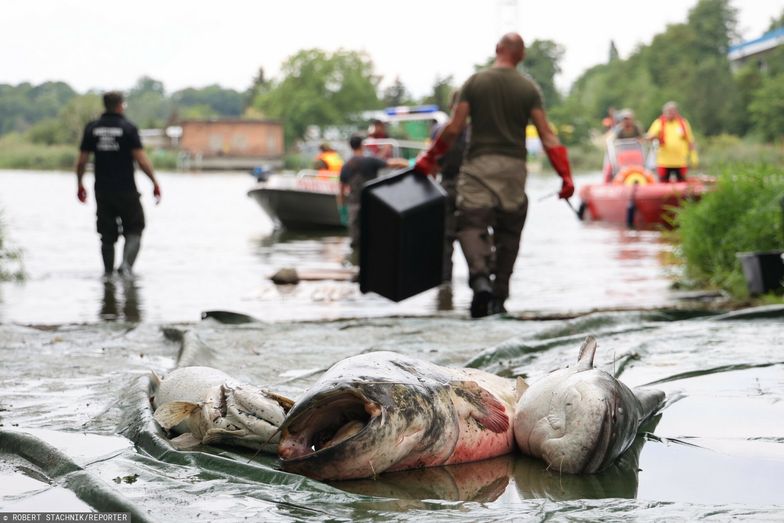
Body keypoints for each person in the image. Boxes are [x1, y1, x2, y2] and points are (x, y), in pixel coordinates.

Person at [414, 32, 574, 318]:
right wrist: (566, 177)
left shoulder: (475, 83)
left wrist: (428, 160)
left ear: (497, 49)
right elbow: (547, 136)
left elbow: (453, 128)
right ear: (521, 56)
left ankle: (479, 280)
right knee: (509, 229)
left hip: (478, 165)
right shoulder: (529, 89)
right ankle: (499, 296)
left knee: (470, 223)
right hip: (513, 169)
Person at [76, 91, 161, 277]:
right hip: (126, 190)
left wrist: (80, 184)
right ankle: (125, 267)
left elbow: (82, 161)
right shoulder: (128, 128)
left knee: (106, 235)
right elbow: (142, 160)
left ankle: (107, 274)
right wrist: (154, 182)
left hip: (102, 191)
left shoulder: (92, 128)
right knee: (135, 227)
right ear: (120, 105)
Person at [338, 134, 407, 253]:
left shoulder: (346, 166)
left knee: (355, 241)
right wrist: (409, 164)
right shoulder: (370, 161)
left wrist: (342, 208)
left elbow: (341, 191)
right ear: (362, 146)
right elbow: (395, 163)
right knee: (372, 237)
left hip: (353, 205)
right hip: (371, 204)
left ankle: (356, 262)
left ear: (350, 147)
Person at [432, 91, 468, 283]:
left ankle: (444, 284)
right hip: (471, 188)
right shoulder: (474, 132)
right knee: (474, 234)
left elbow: (433, 161)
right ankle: (481, 281)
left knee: (445, 238)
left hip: (446, 185)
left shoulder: (440, 131)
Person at [645, 101, 696, 183]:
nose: (671, 113)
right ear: (664, 112)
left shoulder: (683, 123)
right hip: (663, 161)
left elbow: (690, 141)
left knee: (682, 183)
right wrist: (651, 137)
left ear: (677, 112)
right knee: (663, 183)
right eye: (669, 111)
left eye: (673, 111)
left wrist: (694, 156)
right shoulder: (658, 123)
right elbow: (649, 136)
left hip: (681, 161)